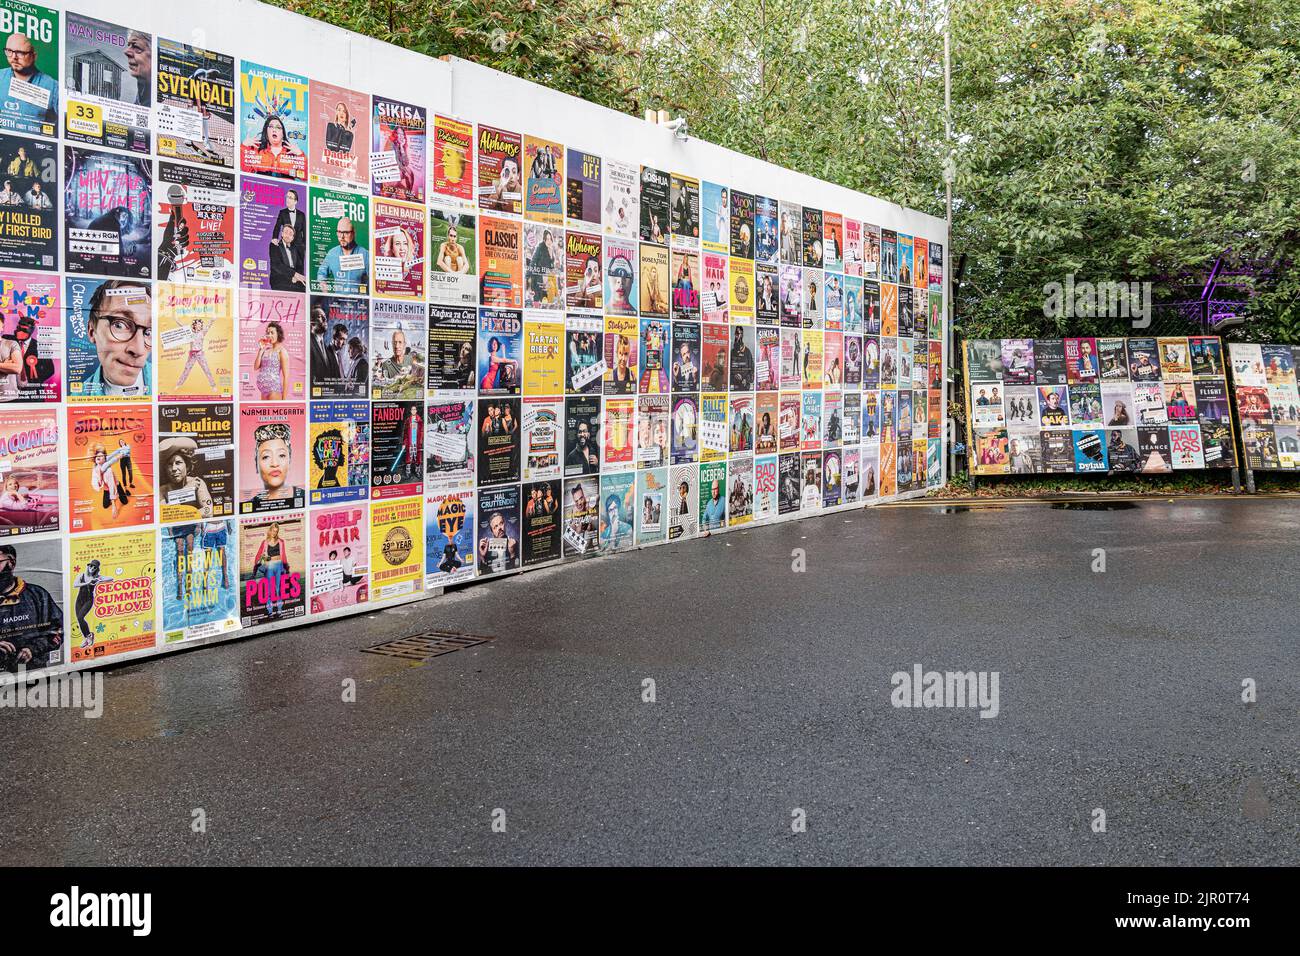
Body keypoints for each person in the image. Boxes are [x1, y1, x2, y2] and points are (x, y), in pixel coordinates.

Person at [81, 280, 152, 398]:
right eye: (119, 325)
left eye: (149, 332)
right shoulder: (77, 395)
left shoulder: (170, 384)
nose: (139, 350)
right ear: (92, 331)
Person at [0, 543, 62, 672]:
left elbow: (58, 630)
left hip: (31, 671)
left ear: (11, 562)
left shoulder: (38, 595)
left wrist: (32, 649)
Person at [0, 33, 57, 130]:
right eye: (9, 51)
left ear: (33, 56)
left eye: (20, 52)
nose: (14, 57)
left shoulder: (52, 86)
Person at [159, 436, 214, 518]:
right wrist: (185, 492)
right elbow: (164, 516)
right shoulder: (162, 490)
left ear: (187, 466)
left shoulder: (197, 483)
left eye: (178, 463)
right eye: (170, 464)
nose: (174, 468)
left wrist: (179, 514)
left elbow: (209, 511)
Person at [250, 422, 301, 508]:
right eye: (266, 457)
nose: (274, 464)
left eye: (281, 455)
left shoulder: (305, 497)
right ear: (256, 464)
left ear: (290, 459)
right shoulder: (250, 505)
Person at [317, 217, 369, 294]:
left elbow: (375, 280)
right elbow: (321, 274)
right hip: (338, 303)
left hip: (360, 303)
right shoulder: (332, 253)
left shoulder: (365, 254)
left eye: (346, 233)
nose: (342, 237)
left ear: (353, 233)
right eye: (339, 232)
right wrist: (326, 293)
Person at [244, 114, 304, 180]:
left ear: (283, 133)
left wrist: (300, 154)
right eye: (271, 126)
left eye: (278, 127)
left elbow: (304, 176)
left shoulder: (293, 152)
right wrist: (244, 146)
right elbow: (247, 170)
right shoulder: (257, 149)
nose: (274, 130)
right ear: (266, 133)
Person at [73, 559, 116, 649]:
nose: (92, 568)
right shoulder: (82, 575)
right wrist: (87, 582)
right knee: (79, 619)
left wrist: (99, 580)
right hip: (79, 599)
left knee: (81, 617)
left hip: (88, 600)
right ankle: (87, 637)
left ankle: (88, 636)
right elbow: (75, 584)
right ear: (88, 566)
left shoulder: (97, 577)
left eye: (94, 567)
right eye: (91, 566)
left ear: (96, 569)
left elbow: (111, 578)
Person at [252, 522, 290, 618]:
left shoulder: (281, 542)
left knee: (278, 589)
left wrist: (286, 567)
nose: (274, 533)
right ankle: (270, 612)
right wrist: (257, 565)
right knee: (269, 590)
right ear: (270, 530)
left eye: (276, 532)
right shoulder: (264, 542)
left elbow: (284, 555)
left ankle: (280, 611)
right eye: (273, 531)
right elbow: (258, 556)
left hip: (279, 565)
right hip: (269, 567)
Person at [88, 442, 130, 521]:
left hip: (116, 485)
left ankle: (120, 493)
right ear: (95, 458)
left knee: (125, 502)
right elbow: (113, 455)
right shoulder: (96, 466)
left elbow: (112, 486)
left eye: (102, 457)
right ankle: (112, 497)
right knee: (105, 505)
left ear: (104, 458)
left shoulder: (106, 468)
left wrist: (114, 506)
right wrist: (120, 450)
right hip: (106, 488)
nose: (100, 459)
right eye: (98, 458)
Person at [174, 318, 217, 392]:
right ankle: (178, 384)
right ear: (195, 325)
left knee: (206, 369)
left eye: (201, 325)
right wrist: (177, 321)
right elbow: (183, 327)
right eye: (199, 324)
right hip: (192, 355)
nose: (200, 326)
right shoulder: (190, 332)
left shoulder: (203, 332)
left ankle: (213, 386)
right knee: (186, 370)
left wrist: (212, 320)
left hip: (200, 354)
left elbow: (208, 326)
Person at [254, 321, 290, 400]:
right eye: (268, 333)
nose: (269, 335)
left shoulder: (282, 351)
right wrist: (261, 350)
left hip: (274, 390)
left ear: (278, 334)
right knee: (264, 412)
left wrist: (284, 400)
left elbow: (286, 377)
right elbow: (256, 367)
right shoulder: (266, 350)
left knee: (273, 412)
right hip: (263, 391)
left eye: (272, 333)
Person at [268, 222, 306, 292]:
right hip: (279, 279)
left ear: (292, 238)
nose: (287, 235)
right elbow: (276, 265)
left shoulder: (295, 249)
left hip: (294, 279)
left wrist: (297, 277)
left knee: (305, 288)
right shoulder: (275, 245)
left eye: (290, 234)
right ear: (282, 234)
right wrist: (294, 274)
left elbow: (299, 266)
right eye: (286, 232)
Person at [271, 189, 307, 260]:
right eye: (287, 197)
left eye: (290, 198)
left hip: (298, 247)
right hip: (285, 244)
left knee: (299, 269)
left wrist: (304, 246)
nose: (287, 199)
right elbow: (277, 226)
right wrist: (275, 238)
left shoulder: (301, 215)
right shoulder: (282, 212)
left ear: (295, 201)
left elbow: (305, 231)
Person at [310, 307, 341, 387]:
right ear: (311, 322)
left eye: (325, 316)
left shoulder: (326, 348)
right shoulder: (309, 343)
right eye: (320, 317)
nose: (325, 319)